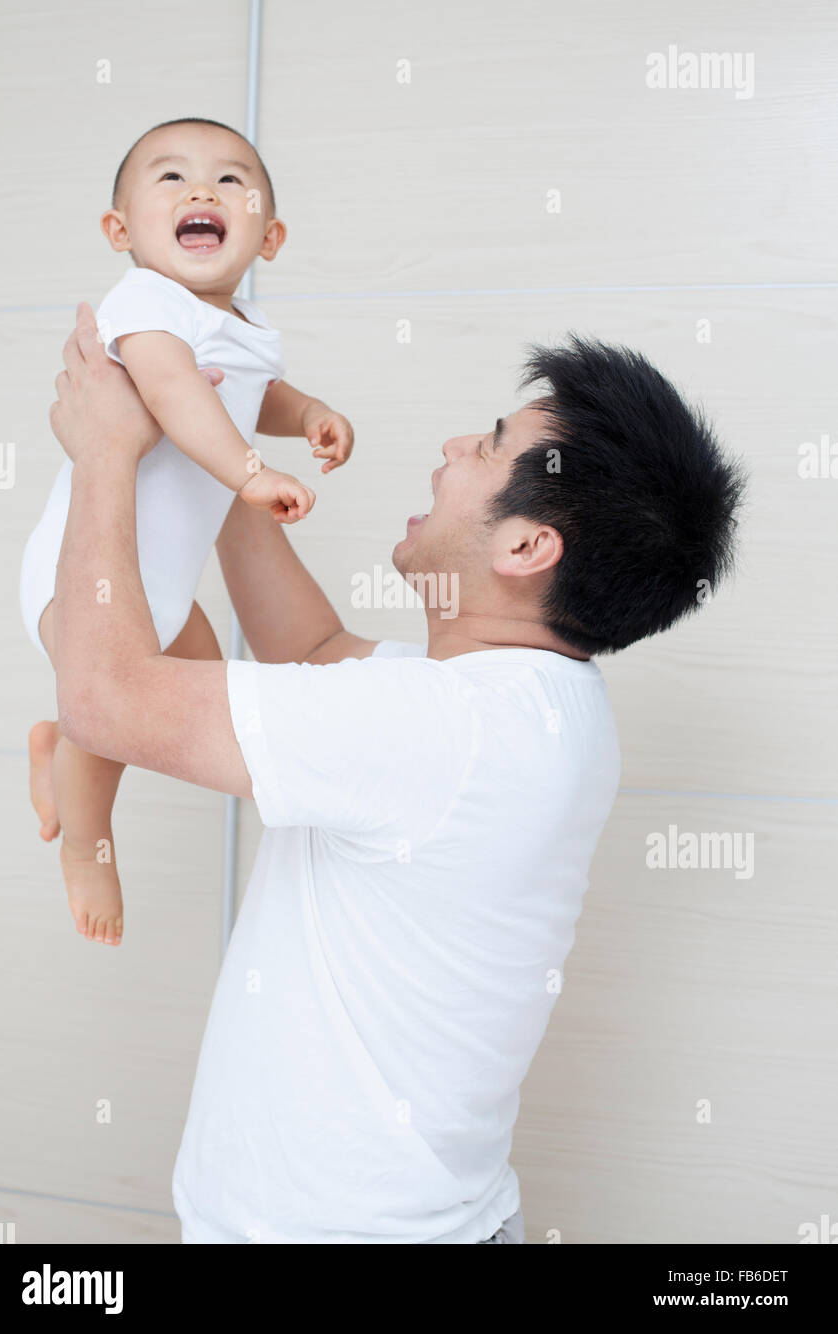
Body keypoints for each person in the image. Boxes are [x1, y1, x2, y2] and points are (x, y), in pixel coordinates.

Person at [46, 305, 745, 1244]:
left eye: (490, 447)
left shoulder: (445, 730)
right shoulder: (540, 702)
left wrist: (103, 457)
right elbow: (318, 649)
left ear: (528, 547)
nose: (455, 446)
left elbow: (102, 700)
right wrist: (215, 461)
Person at [20, 118, 354, 946]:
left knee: (194, 706)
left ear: (268, 237)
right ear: (120, 231)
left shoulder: (241, 329)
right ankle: (88, 845)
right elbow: (172, 390)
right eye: (171, 178)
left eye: (232, 180)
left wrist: (305, 412)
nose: (204, 191)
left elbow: (251, 391)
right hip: (86, 576)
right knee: (114, 720)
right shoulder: (146, 302)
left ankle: (54, 741)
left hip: (161, 585)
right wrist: (250, 474)